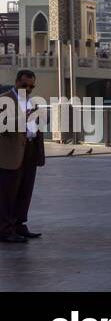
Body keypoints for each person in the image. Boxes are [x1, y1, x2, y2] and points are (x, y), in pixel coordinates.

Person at [0, 69, 44, 243]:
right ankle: (4, 229)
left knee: (25, 192)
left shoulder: (31, 101)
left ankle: (19, 225)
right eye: (24, 85)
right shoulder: (5, 99)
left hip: (29, 151)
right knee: (7, 194)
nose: (28, 89)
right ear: (16, 82)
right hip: (11, 155)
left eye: (31, 86)